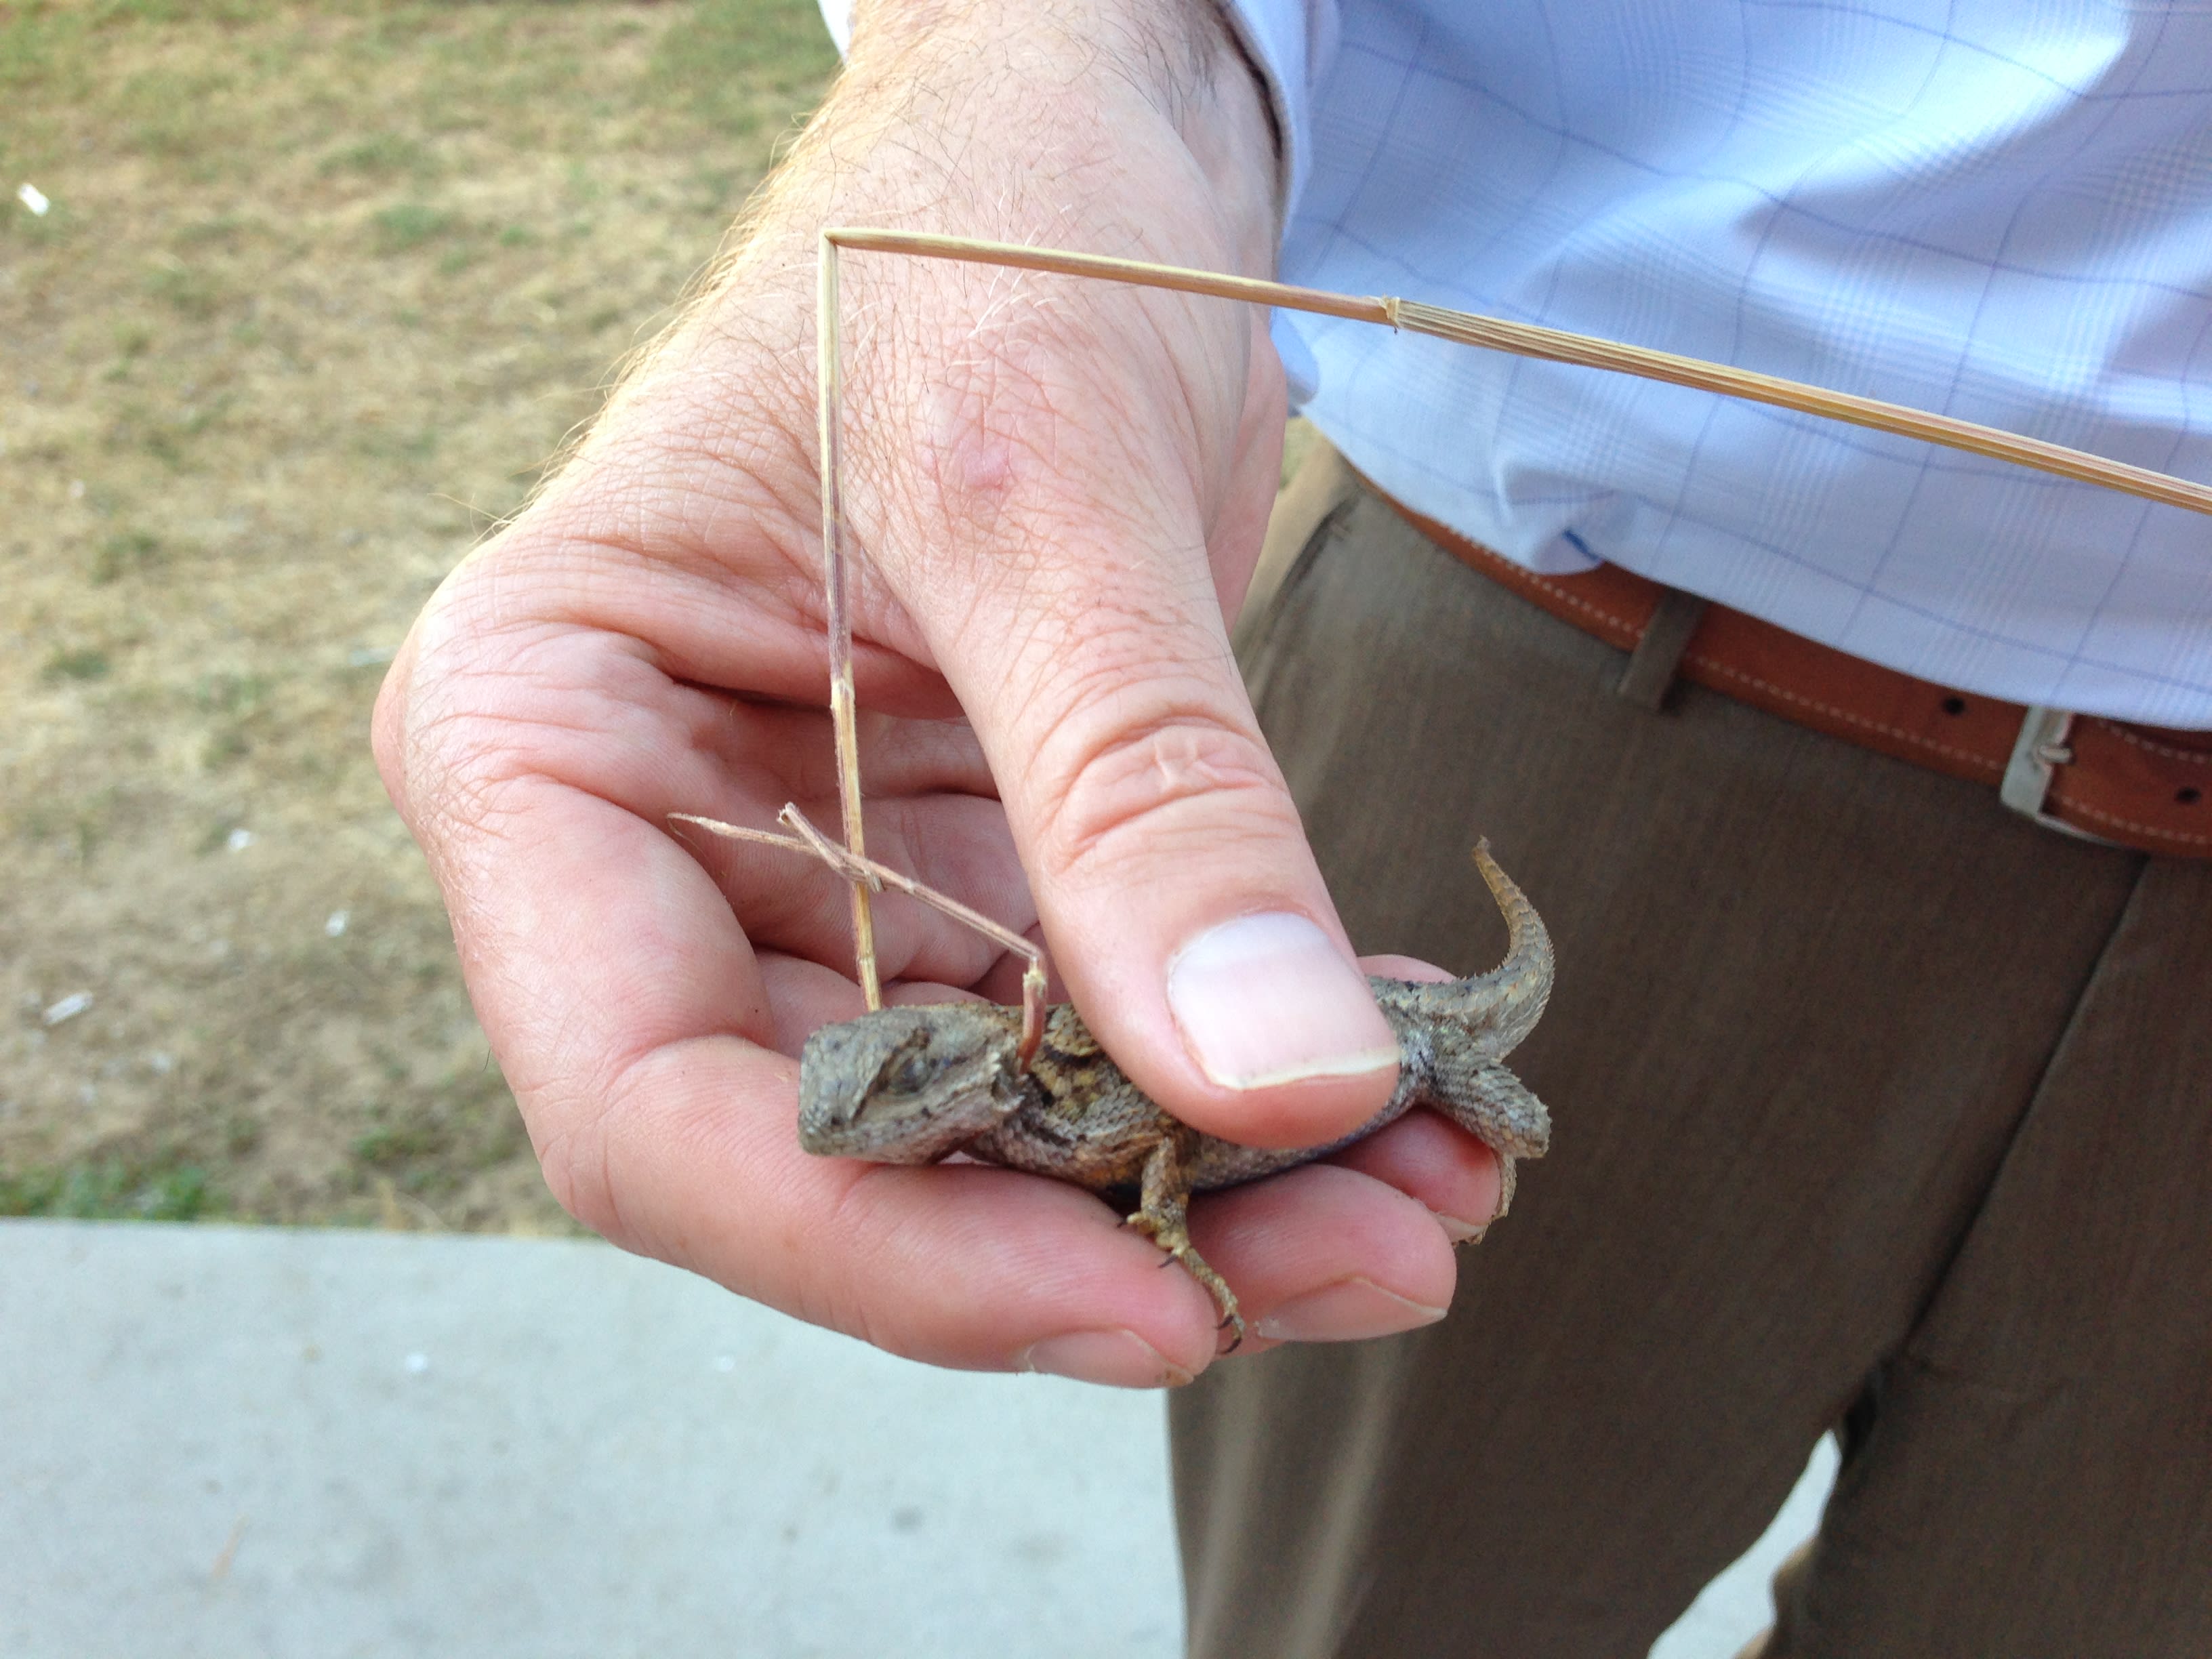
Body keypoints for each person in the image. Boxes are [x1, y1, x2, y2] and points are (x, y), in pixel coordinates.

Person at [373, 1, 2212, 1652]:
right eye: (876, 1093)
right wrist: (1058, 56)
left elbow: (1153, 1154)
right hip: (1559, 631)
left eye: (880, 1092)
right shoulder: (1035, 1085)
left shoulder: (1050, 1098)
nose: (865, 1115)